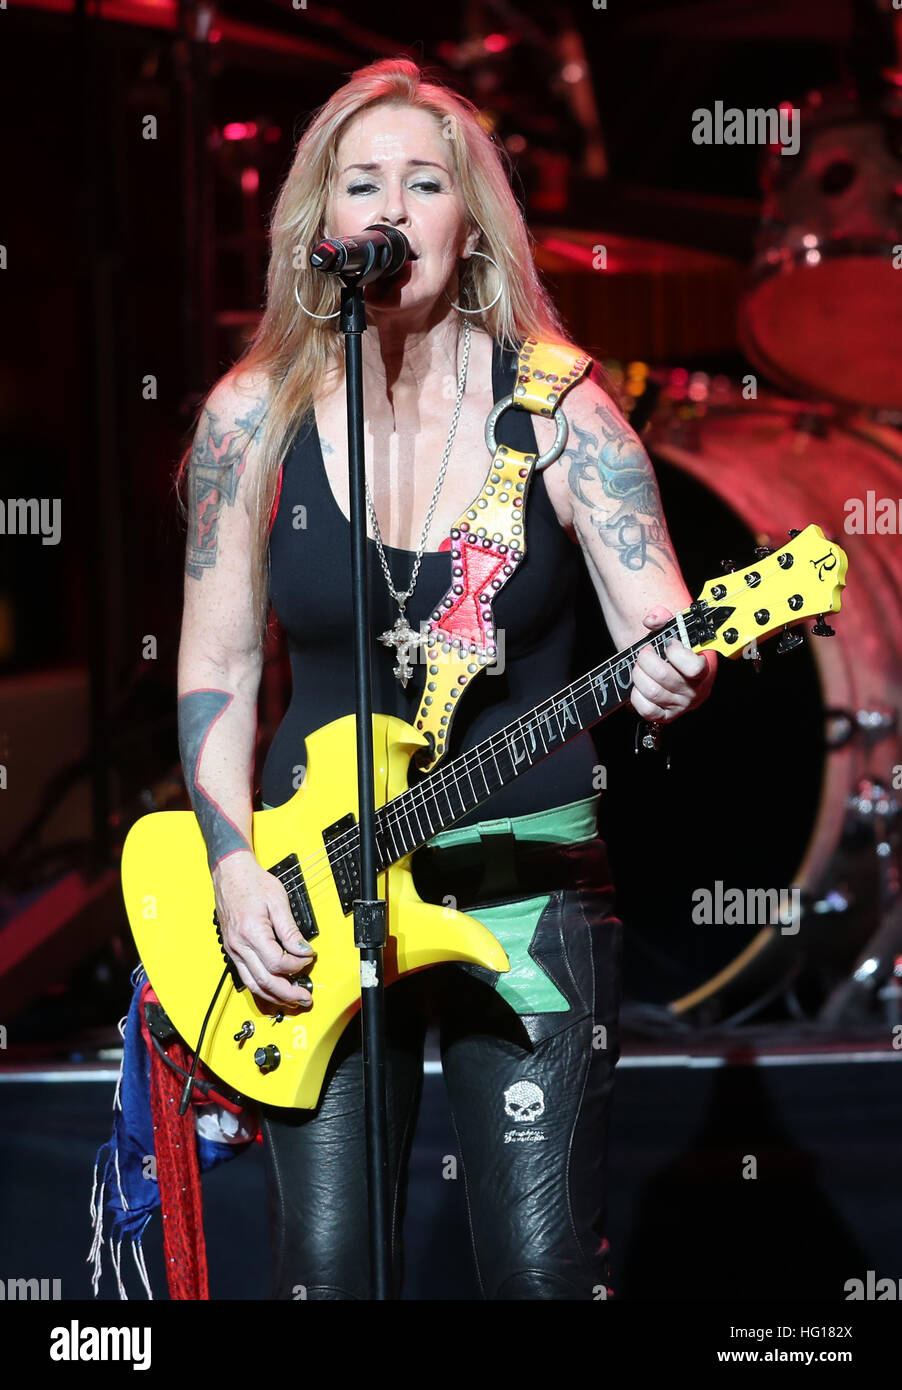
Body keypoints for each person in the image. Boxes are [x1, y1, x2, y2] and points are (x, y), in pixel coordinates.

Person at [176, 58, 716, 1301]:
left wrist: (679, 670)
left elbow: (660, 619)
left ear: (468, 218)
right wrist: (229, 860)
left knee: (534, 1269)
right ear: (319, 223)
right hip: (318, 889)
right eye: (359, 183)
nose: (390, 209)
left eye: (424, 182)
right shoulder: (250, 417)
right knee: (324, 1269)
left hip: (523, 886)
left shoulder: (565, 406)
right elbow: (215, 663)